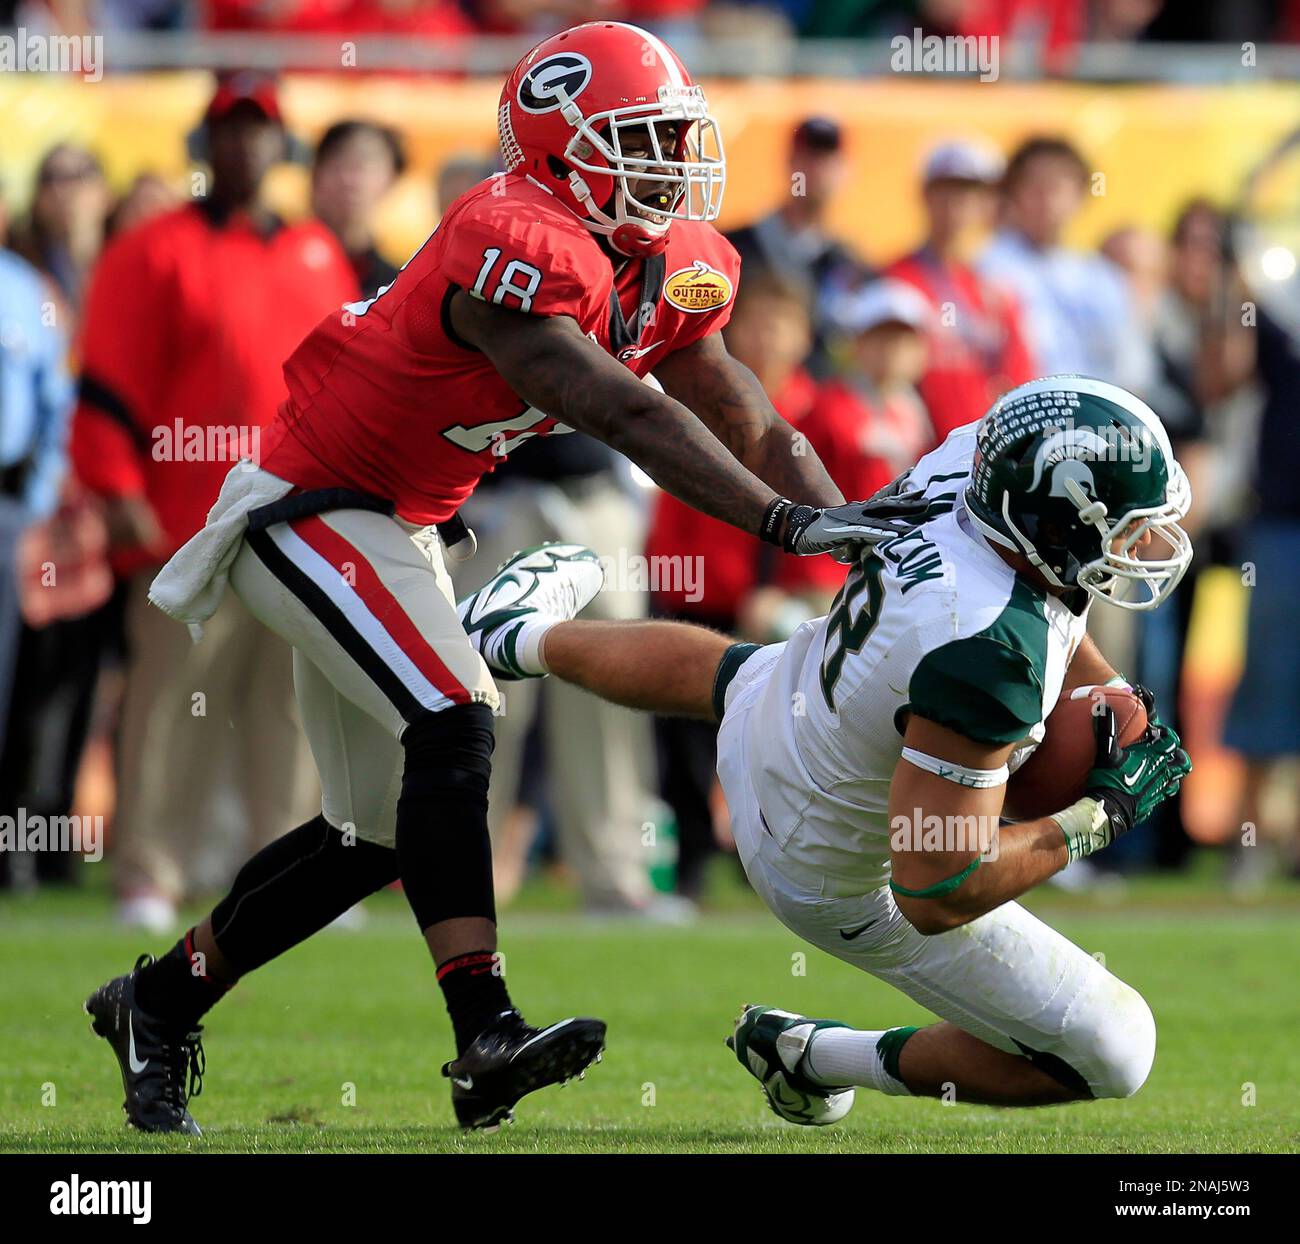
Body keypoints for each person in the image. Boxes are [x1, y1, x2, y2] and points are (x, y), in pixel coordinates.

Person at [83, 22, 903, 1138]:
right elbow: (620, 407)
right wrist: (779, 517)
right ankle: (484, 1032)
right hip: (308, 502)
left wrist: (845, 526)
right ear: (564, 147)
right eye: (641, 138)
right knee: (459, 708)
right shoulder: (508, 235)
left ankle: (159, 998)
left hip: (399, 522)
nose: (669, 160)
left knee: (373, 831)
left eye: (674, 136)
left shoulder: (672, 260)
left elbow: (742, 411)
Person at [459, 375, 1194, 1118]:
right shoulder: (989, 651)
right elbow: (936, 887)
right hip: (829, 869)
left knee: (727, 672)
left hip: (799, 701)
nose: (1145, 543)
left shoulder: (970, 462)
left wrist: (1112, 697)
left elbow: (1048, 601)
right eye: (1125, 526)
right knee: (1115, 1048)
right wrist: (1104, 814)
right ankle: (812, 1054)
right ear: (1054, 520)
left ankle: (510, 633)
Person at [70, 74, 359, 931]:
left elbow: (350, 387)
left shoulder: (315, 252)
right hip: (186, 523)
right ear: (203, 145)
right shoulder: (151, 250)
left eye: (260, 131)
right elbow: (108, 389)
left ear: (282, 149)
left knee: (293, 706)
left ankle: (290, 882)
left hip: (298, 520)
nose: (246, 147)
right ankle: (151, 872)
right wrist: (118, 491)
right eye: (230, 131)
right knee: (172, 701)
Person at [979, 136, 1156, 395]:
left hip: (1096, 423)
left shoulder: (1103, 278)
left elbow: (1132, 372)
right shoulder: (987, 268)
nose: (1046, 200)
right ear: (1014, 195)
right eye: (1034, 186)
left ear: (1080, 195)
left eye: (1057, 186)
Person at [886, 139, 1035, 442]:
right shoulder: (892, 280)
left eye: (970, 193)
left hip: (990, 457)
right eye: (946, 190)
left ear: (989, 203)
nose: (956, 203)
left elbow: (1022, 380)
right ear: (926, 195)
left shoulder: (997, 289)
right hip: (918, 463)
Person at [726, 116, 871, 375]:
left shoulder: (849, 263)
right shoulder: (733, 248)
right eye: (809, 159)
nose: (817, 171)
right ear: (790, 163)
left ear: (845, 171)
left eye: (827, 161)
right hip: (742, 397)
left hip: (816, 406)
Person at [814, 279, 935, 493]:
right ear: (858, 343)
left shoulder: (916, 409)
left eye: (905, 341)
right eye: (883, 339)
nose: (895, 350)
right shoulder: (828, 407)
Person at [311, 119, 407, 298]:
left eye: (363, 165)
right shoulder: (281, 255)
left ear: (391, 179)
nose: (349, 179)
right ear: (315, 173)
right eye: (339, 162)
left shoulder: (396, 286)